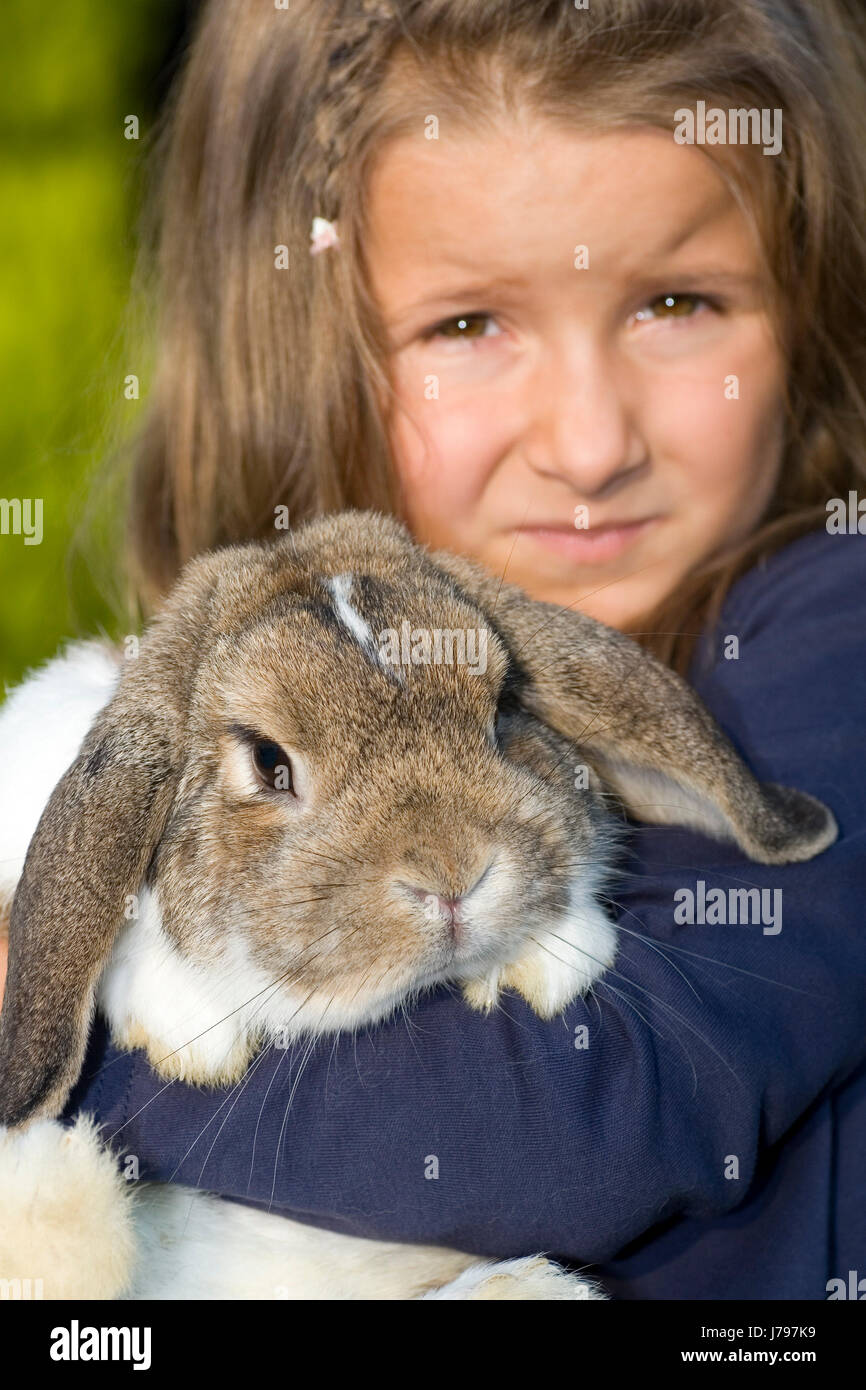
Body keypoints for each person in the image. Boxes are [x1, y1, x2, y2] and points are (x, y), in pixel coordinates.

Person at [1, 0, 865, 1299]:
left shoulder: (835, 636)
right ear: (304, 349)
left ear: (802, 297)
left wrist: (69, 1041)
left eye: (676, 302)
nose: (590, 444)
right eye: (468, 326)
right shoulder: (246, 668)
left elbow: (585, 1122)